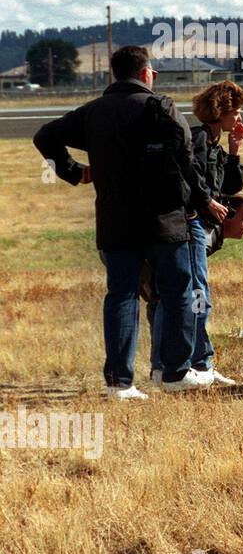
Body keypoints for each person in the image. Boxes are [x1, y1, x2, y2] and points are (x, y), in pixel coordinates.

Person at [33, 45, 211, 399]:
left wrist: (73, 171)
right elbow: (186, 160)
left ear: (114, 73)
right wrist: (201, 202)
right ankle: (174, 371)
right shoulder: (160, 108)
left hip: (115, 219)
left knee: (122, 295)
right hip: (163, 220)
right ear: (146, 74)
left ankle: (119, 381)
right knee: (177, 291)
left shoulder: (94, 112)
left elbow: (45, 136)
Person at [147, 81, 243, 386]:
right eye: (236, 111)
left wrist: (233, 151)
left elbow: (229, 187)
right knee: (196, 295)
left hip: (199, 227)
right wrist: (208, 203)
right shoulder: (199, 139)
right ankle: (188, 364)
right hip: (191, 227)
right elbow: (195, 185)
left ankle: (189, 361)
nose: (240, 117)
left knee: (187, 295)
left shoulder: (214, 142)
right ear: (222, 111)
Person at [142, 194, 243, 370]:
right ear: (227, 214)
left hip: (149, 268)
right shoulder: (206, 233)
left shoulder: (210, 232)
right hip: (148, 268)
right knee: (198, 302)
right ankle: (194, 365)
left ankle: (165, 366)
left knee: (166, 303)